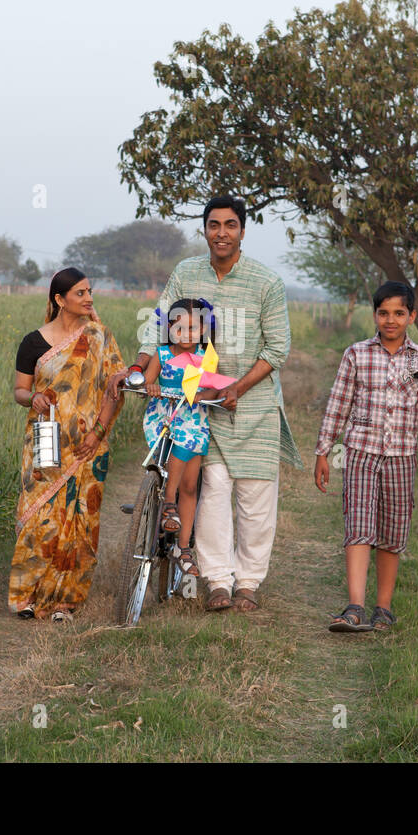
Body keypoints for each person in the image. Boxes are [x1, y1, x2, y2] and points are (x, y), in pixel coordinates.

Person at [110, 195, 303, 613]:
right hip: (196, 403)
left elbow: (278, 349)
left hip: (251, 405)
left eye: (230, 225)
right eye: (214, 225)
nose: (221, 233)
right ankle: (217, 580)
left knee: (255, 498)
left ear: (243, 231)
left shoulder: (266, 282)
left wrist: (238, 388)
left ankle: (248, 583)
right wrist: (140, 368)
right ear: (204, 230)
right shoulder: (186, 273)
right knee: (211, 490)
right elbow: (158, 328)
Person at [313, 281, 418, 632]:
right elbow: (338, 404)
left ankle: (382, 608)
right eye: (384, 313)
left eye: (399, 313)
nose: (391, 320)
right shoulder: (357, 354)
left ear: (412, 316)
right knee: (358, 525)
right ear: (374, 315)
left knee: (392, 532)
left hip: (402, 457)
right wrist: (323, 450)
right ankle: (354, 607)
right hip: (360, 453)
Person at [10, 267, 126, 622]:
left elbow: (114, 387)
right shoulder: (33, 342)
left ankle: (65, 600)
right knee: (39, 518)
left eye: (90, 291)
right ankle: (27, 596)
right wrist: (34, 399)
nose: (89, 298)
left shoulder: (100, 337)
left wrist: (98, 432)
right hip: (45, 441)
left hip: (89, 445)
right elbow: (19, 391)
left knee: (81, 521)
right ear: (60, 300)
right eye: (80, 293)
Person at [141, 297, 225, 578]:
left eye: (194, 328)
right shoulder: (162, 355)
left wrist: (204, 395)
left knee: (190, 486)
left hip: (193, 418)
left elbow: (213, 388)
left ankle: (184, 548)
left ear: (204, 330)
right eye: (180, 328)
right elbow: (149, 381)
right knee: (179, 442)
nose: (187, 334)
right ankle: (167, 503)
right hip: (164, 418)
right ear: (169, 328)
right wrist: (151, 388)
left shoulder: (206, 357)